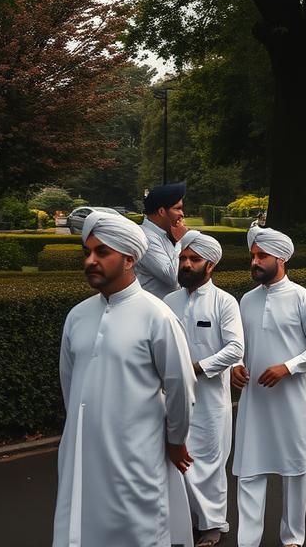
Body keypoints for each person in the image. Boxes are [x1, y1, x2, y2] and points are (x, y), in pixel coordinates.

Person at [55, 210, 196, 547]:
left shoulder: (157, 315)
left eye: (102, 252)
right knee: (81, 527)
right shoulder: (77, 316)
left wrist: (175, 440)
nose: (90, 260)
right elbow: (69, 383)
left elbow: (180, 386)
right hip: (82, 451)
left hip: (137, 454)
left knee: (140, 531)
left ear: (130, 258)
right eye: (87, 252)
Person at [232, 226, 306, 547]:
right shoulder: (246, 300)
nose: (255, 261)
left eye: (262, 256)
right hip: (255, 401)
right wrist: (235, 368)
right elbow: (238, 347)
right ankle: (247, 540)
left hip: (293, 400)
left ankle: (292, 538)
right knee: (249, 471)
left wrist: (287, 367)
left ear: (282, 259)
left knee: (294, 470)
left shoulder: (302, 299)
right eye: (253, 256)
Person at [164, 231, 244, 547]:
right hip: (174, 397)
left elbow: (236, 347)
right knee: (176, 459)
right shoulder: (169, 302)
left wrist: (196, 367)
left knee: (209, 462)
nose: (185, 264)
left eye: (193, 260)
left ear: (210, 265)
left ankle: (212, 524)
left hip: (210, 399)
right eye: (183, 258)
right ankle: (185, 523)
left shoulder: (224, 302)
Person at [137, 181, 187, 299]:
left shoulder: (164, 234)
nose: (182, 214)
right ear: (161, 212)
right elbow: (175, 279)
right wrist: (181, 241)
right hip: (151, 312)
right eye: (177, 208)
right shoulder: (145, 238)